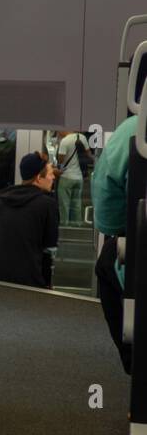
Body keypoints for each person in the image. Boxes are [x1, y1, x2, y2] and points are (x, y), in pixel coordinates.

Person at [91, 114, 136, 374]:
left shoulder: (134, 132)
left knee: (109, 260)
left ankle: (135, 364)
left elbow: (108, 220)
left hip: (138, 257)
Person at [0, 152, 59, 288]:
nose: (53, 177)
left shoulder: (0, 199)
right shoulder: (47, 204)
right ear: (39, 178)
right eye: (50, 173)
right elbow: (50, 244)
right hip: (31, 279)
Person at [54, 130, 91, 225]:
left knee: (64, 205)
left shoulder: (65, 141)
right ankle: (77, 226)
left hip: (66, 177)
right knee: (77, 205)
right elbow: (88, 155)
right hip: (79, 178)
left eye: (58, 131)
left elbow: (60, 161)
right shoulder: (82, 137)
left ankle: (64, 226)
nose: (58, 133)